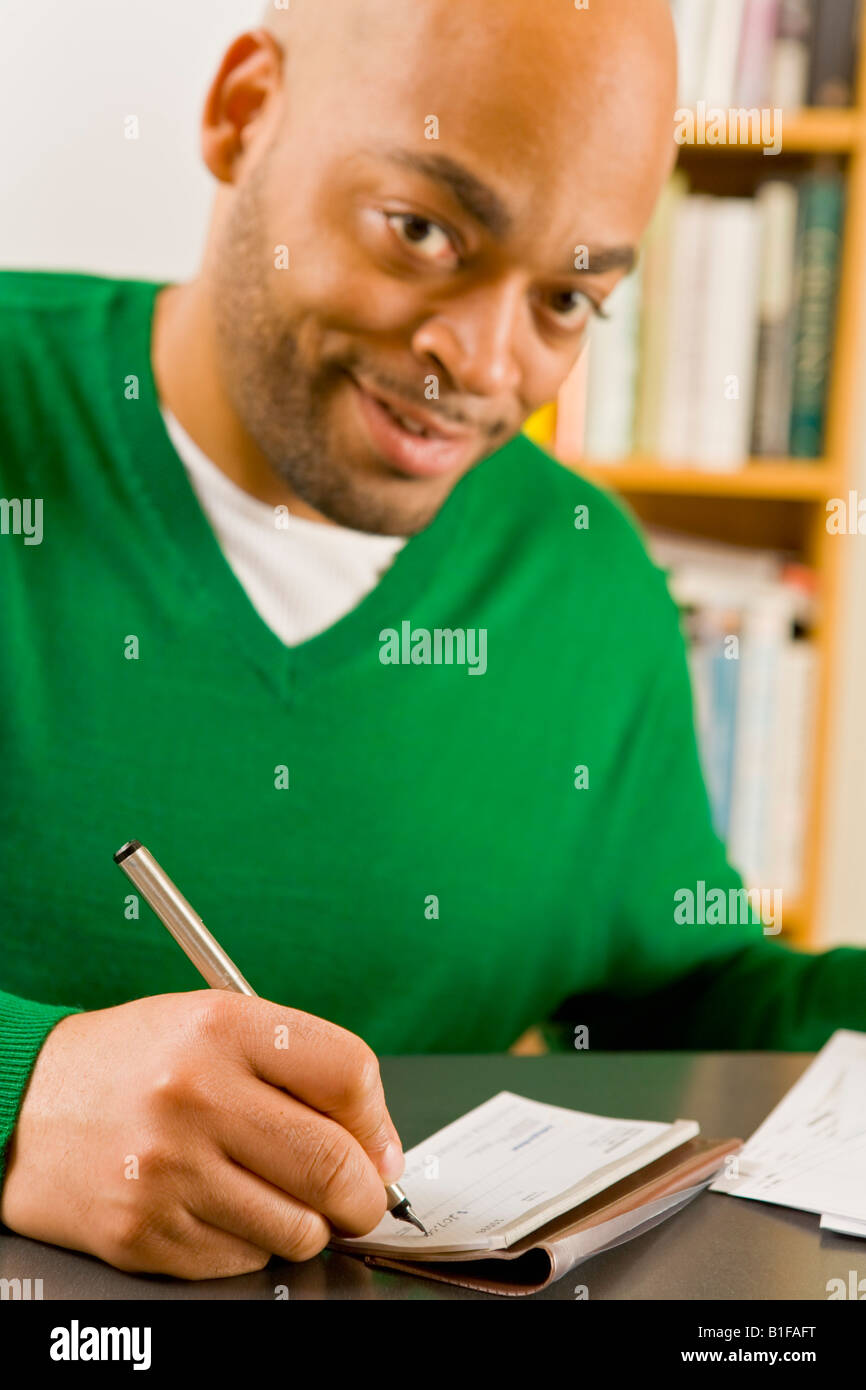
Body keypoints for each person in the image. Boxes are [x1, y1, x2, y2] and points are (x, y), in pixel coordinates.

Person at [0, 0, 862, 1281]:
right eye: (420, 230)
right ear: (245, 113)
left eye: (569, 299)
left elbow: (681, 999)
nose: (480, 360)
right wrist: (22, 1093)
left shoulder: (585, 582)